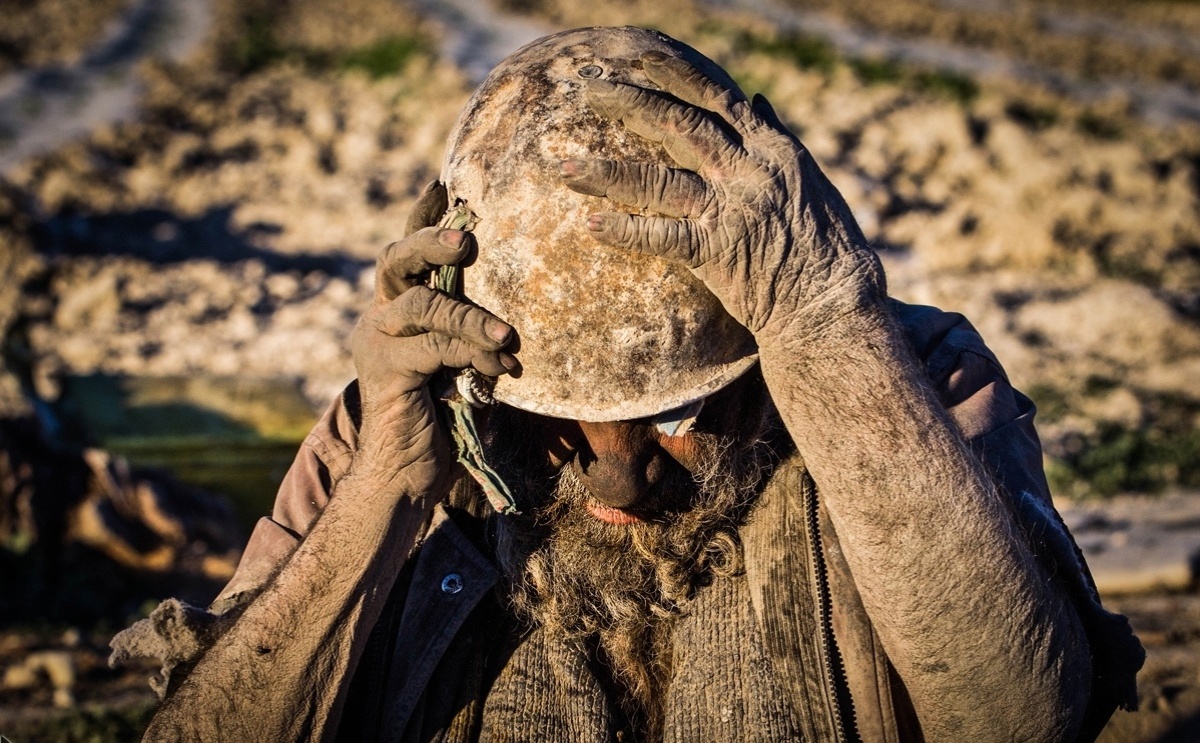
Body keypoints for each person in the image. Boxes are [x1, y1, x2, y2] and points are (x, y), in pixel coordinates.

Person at [111, 27, 1143, 742]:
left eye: (672, 413)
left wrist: (827, 330)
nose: (617, 473)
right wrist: (381, 495)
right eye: (556, 414)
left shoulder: (906, 376)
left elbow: (1026, 714)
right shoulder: (389, 432)